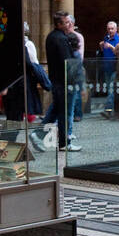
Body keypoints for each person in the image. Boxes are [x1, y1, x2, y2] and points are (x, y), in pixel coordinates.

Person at [44, 12, 79, 151]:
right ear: (58, 24)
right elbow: (68, 62)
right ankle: (64, 143)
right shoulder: (60, 39)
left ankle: (38, 134)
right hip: (64, 82)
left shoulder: (54, 36)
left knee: (57, 110)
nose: (68, 24)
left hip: (58, 80)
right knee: (65, 112)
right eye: (65, 22)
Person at [98, 21, 119, 116]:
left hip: (115, 67)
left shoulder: (118, 39)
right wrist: (101, 46)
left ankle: (108, 110)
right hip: (106, 67)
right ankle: (115, 110)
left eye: (112, 29)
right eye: (108, 29)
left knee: (111, 90)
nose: (110, 30)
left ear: (116, 29)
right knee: (110, 90)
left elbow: (118, 52)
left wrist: (110, 46)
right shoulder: (106, 38)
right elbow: (103, 51)